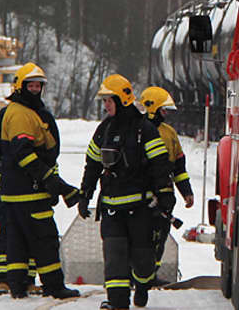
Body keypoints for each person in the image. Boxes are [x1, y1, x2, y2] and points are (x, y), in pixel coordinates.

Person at [78, 74, 173, 310]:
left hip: (141, 210)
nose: (106, 106)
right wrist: (85, 194)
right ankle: (117, 302)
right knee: (114, 258)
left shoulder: (145, 129)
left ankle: (142, 285)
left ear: (122, 99)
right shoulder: (104, 129)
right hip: (112, 209)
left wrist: (165, 194)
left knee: (143, 262)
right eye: (104, 101)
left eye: (109, 100)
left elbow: (160, 164)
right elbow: (92, 164)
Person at [0, 63, 82, 299]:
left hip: (14, 194)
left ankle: (17, 285)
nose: (35, 90)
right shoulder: (21, 114)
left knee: (18, 241)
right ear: (20, 87)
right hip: (30, 192)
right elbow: (24, 154)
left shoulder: (21, 111)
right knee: (45, 239)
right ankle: (54, 286)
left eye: (38, 86)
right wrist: (51, 181)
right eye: (31, 86)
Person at [0, 105, 40, 296]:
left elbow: (48, 153)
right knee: (7, 234)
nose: (34, 90)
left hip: (32, 189)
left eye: (37, 88)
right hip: (7, 189)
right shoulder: (4, 116)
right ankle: (3, 279)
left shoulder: (40, 114)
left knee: (31, 234)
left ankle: (29, 280)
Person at [139, 86, 195, 277]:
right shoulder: (136, 130)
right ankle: (137, 274)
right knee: (140, 237)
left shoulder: (170, 133)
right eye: (164, 109)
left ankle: (151, 274)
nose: (166, 114)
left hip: (165, 196)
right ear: (152, 107)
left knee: (160, 236)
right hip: (140, 196)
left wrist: (186, 192)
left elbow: (179, 168)